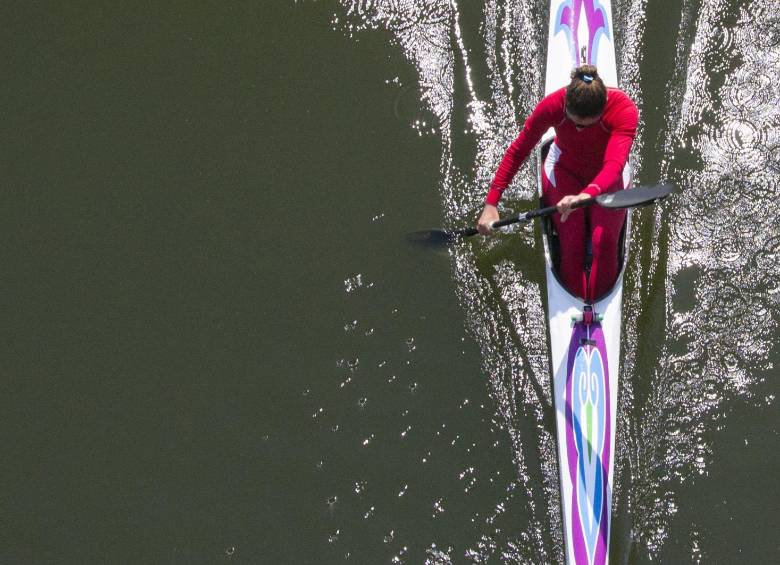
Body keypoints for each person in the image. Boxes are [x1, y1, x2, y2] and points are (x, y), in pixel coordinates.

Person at [477, 65, 638, 301]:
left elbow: (614, 165)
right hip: (563, 171)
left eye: (587, 125)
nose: (579, 129)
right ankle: (574, 303)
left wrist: (586, 195)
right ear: (566, 106)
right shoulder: (552, 106)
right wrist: (491, 203)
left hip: (606, 179)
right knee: (571, 246)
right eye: (575, 123)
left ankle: (597, 304)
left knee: (603, 246)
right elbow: (518, 151)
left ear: (603, 107)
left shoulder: (624, 109)